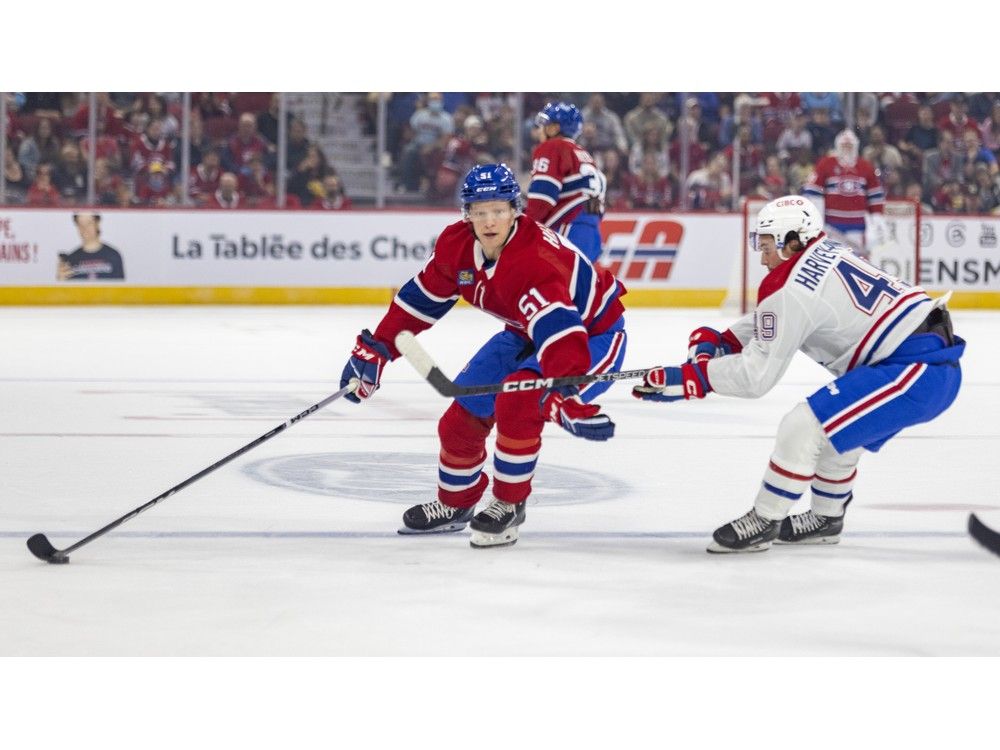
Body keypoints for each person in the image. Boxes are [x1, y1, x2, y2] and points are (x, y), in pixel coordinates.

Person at [632, 195, 964, 553]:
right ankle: (825, 519)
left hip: (916, 371)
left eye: (766, 246)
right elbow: (791, 314)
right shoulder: (825, 250)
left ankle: (765, 520)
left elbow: (756, 375)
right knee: (837, 435)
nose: (762, 258)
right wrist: (728, 341)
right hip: (925, 362)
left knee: (802, 426)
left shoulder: (789, 288)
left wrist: (692, 378)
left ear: (792, 241)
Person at [339, 164, 627, 548]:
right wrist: (378, 348)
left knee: (519, 401)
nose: (489, 221)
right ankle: (455, 505)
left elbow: (561, 333)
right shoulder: (456, 246)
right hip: (524, 331)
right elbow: (420, 300)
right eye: (479, 211)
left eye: (498, 210)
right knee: (461, 417)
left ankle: (509, 504)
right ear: (467, 214)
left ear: (515, 211)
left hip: (592, 335)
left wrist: (564, 390)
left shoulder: (534, 260)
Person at [527, 101, 607, 264]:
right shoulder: (584, 154)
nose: (539, 129)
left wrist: (525, 228)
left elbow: (542, 197)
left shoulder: (552, 147)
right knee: (579, 281)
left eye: (544, 124)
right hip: (592, 233)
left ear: (554, 128)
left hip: (568, 229)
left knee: (548, 280)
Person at [802, 129, 886, 258]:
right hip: (831, 226)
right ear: (837, 145)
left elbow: (875, 196)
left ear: (856, 146)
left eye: (850, 146)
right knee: (831, 261)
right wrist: (817, 221)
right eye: (844, 145)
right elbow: (813, 193)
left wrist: (877, 218)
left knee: (857, 261)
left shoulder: (866, 167)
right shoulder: (826, 164)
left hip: (857, 227)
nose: (847, 149)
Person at [58, 213, 125, 281]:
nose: (85, 228)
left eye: (89, 223)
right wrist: (60, 281)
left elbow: (121, 286)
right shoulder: (71, 259)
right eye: (80, 224)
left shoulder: (113, 255)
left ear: (97, 223)